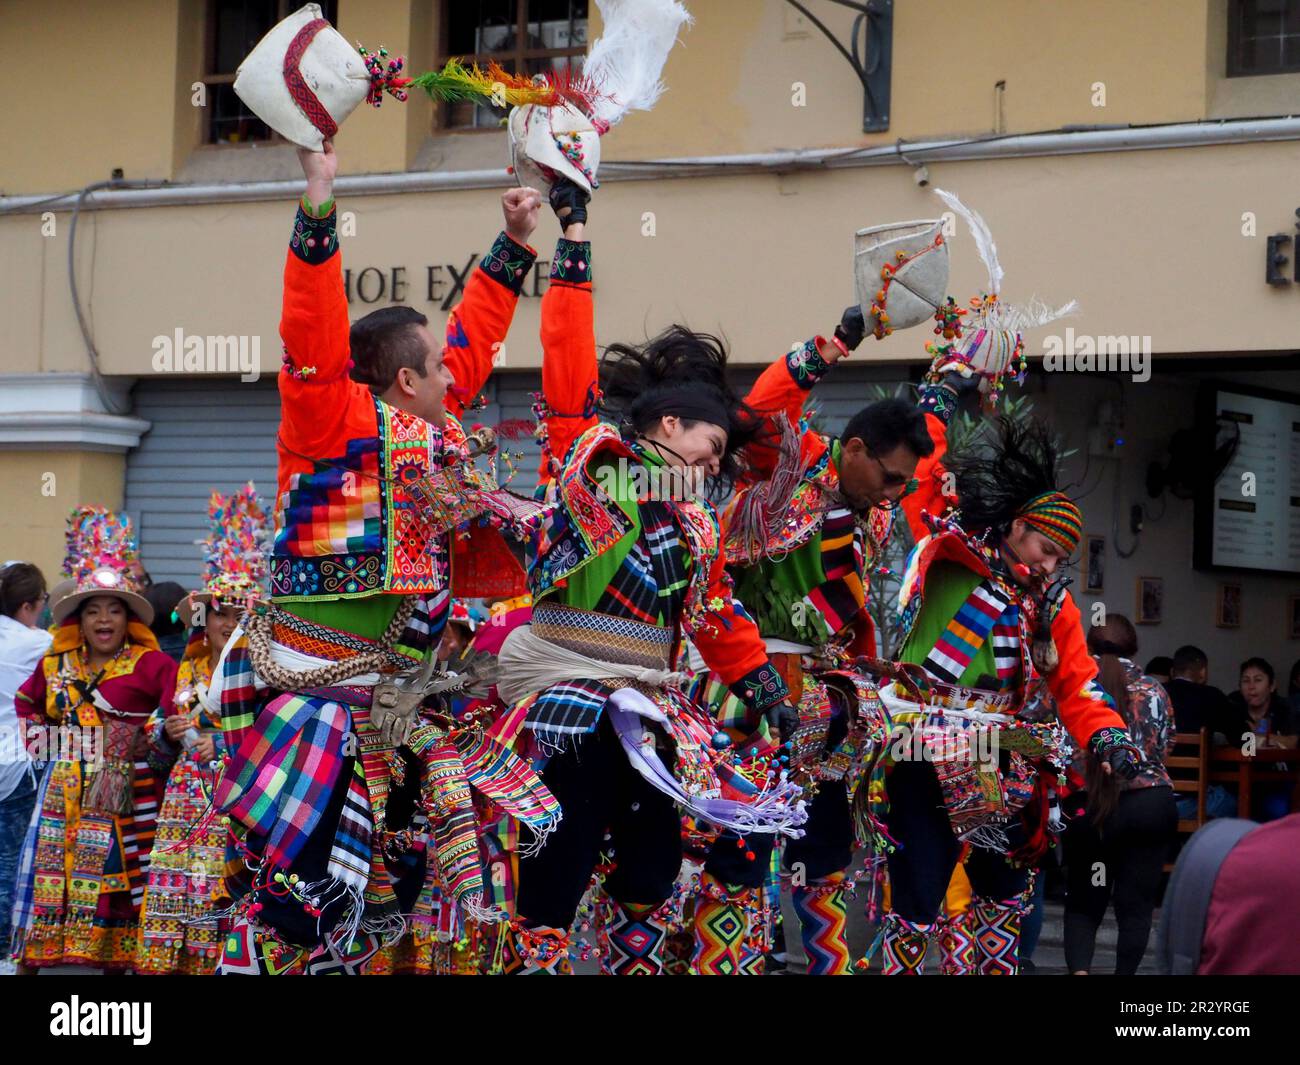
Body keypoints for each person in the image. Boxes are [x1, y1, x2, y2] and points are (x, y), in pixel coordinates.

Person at [208, 140, 560, 975]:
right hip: (310, 692)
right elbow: (310, 329)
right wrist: (319, 201)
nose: (455, 374)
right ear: (404, 382)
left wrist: (512, 242)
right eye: (437, 366)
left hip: (390, 700)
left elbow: (473, 342)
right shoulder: (330, 424)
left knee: (382, 889)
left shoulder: (425, 437)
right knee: (296, 888)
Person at [489, 177, 804, 975]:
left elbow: (715, 615)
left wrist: (764, 686)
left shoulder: (693, 522)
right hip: (569, 696)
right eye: (708, 447)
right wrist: (574, 234)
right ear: (668, 426)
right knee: (554, 873)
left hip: (649, 705)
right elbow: (565, 358)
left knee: (653, 871)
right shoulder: (591, 467)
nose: (714, 463)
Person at [684, 308, 936, 974]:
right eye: (891, 478)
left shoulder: (870, 513)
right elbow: (755, 409)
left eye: (906, 483)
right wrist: (838, 341)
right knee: (732, 853)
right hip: (739, 690)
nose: (898, 493)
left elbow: (844, 617)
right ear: (855, 449)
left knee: (822, 855)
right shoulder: (789, 466)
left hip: (823, 708)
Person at [9, 508, 178, 970]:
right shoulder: (54, 666)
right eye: (93, 610)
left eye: (114, 609)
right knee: (58, 870)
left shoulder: (153, 665)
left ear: (128, 619)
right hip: (66, 789)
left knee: (122, 870)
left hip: (130, 790)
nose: (104, 619)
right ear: (79, 621)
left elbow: (174, 711)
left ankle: (117, 956)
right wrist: (51, 747)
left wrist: (151, 738)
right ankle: (48, 950)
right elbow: (27, 707)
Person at [136, 485, 269, 974]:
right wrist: (166, 732)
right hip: (184, 802)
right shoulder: (183, 670)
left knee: (225, 888)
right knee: (179, 886)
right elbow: (155, 740)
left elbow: (278, 737)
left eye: (241, 616)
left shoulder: (265, 677)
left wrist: (231, 741)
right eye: (222, 615)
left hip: (236, 803)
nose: (230, 625)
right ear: (205, 619)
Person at [1062, 615, 1178, 975]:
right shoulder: (1155, 690)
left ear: (1088, 648)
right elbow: (1165, 747)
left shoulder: (1077, 688)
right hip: (1150, 805)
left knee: (1084, 899)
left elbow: (1055, 744)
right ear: (1134, 648)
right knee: (1136, 904)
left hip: (1090, 805)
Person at [0, 562, 52, 971]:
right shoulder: (39, 643)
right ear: (27, 605)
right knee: (10, 860)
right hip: (14, 762)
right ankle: (3, 951)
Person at [1222, 657, 1296, 822]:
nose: (1251, 687)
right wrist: (1266, 739)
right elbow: (1225, 740)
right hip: (1239, 783)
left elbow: (1291, 742)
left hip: (1277, 781)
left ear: (1272, 686)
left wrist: (1256, 736)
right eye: (1245, 681)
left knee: (1278, 809)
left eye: (1258, 680)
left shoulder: (1284, 708)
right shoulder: (1233, 707)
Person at [1164, 645, 1233, 736]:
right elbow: (1238, 737)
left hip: (1160, 750)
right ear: (1203, 672)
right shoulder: (1213, 696)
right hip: (1198, 750)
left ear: (1172, 672)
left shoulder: (1155, 692)